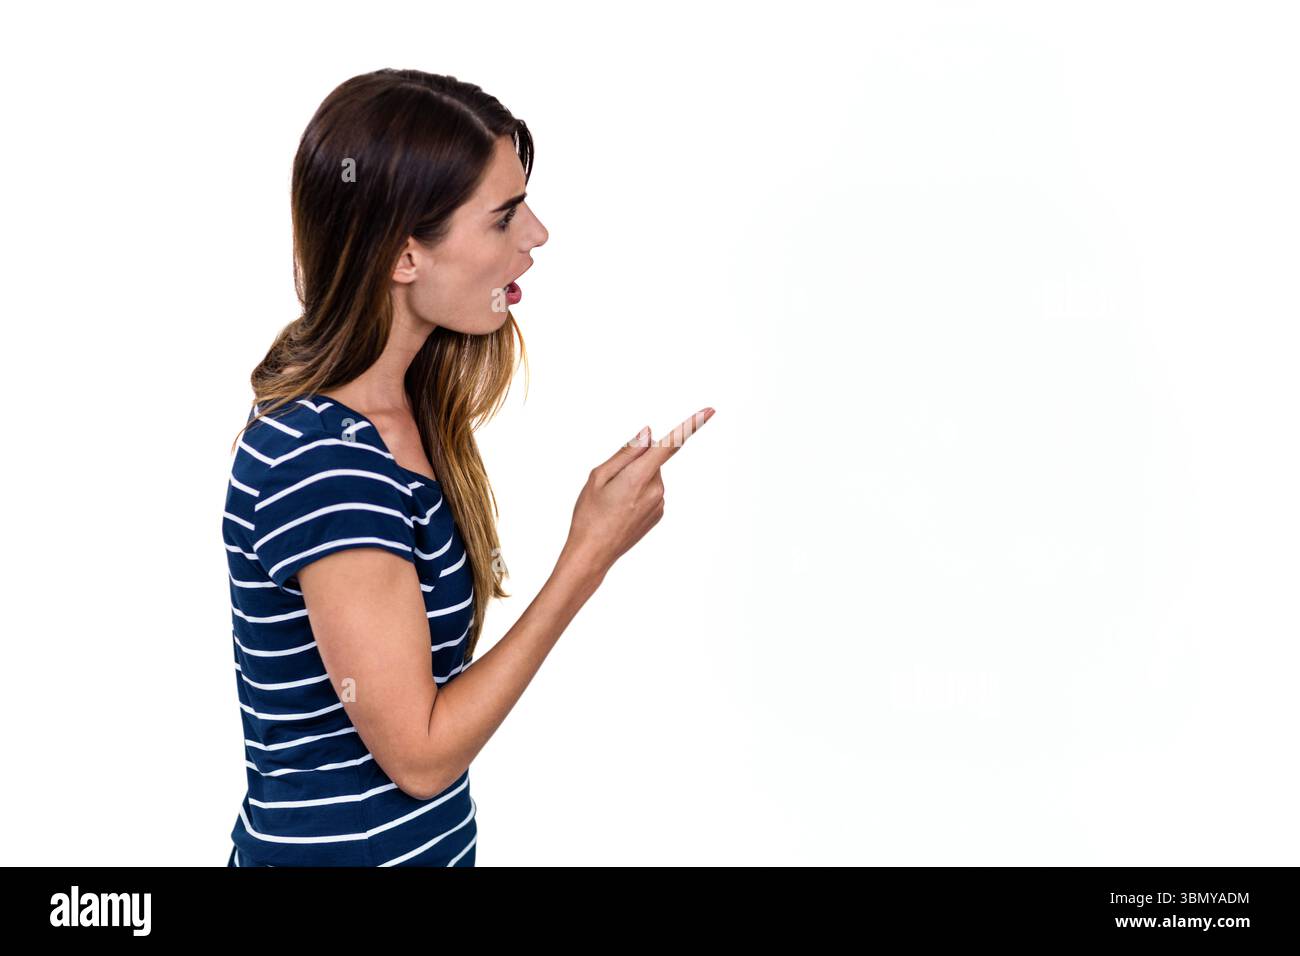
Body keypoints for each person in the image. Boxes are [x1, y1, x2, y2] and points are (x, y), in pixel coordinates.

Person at [220, 69, 714, 866]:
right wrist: (588, 556)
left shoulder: (402, 415)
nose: (538, 235)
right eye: (504, 217)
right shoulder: (325, 465)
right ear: (405, 254)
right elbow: (420, 756)